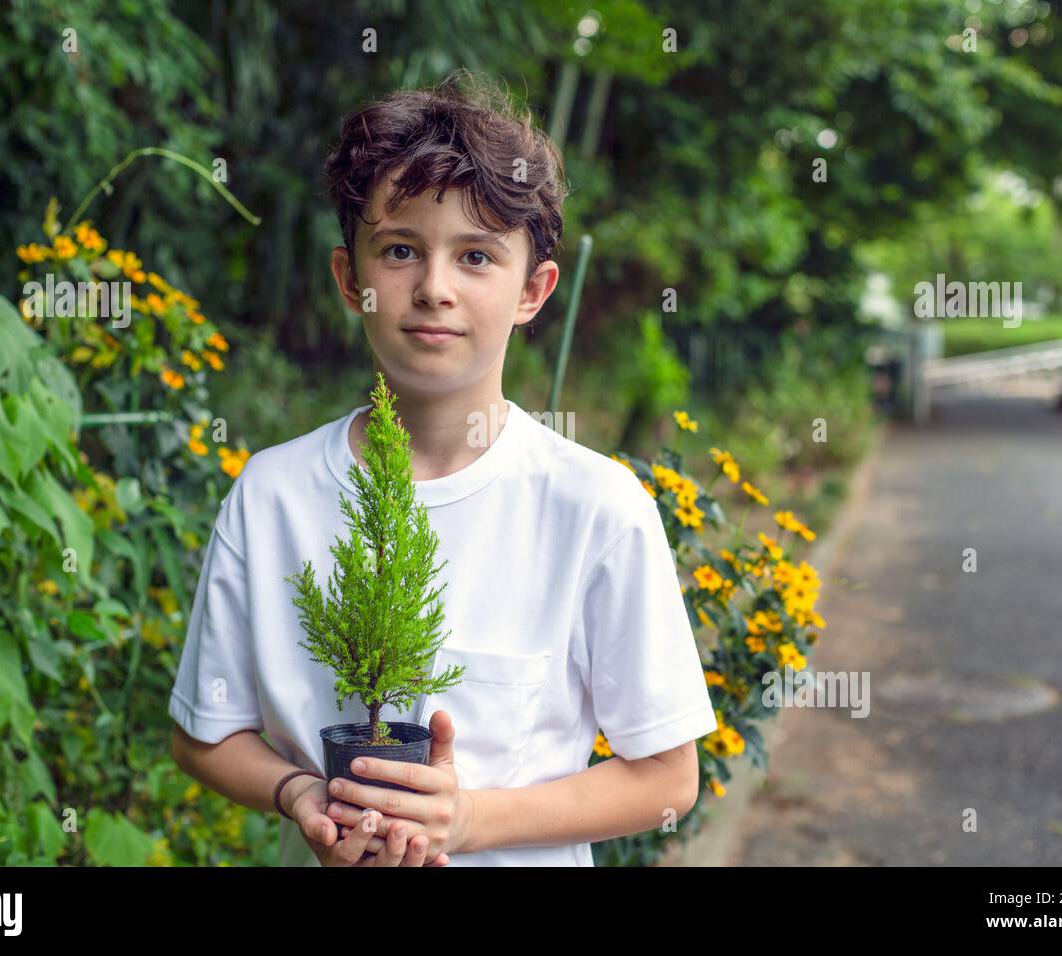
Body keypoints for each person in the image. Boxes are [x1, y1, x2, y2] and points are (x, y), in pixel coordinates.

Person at [169, 69, 717, 867]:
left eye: (476, 257)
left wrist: (468, 821)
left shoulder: (597, 505)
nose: (433, 289)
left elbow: (668, 779)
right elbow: (203, 734)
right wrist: (298, 794)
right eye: (399, 250)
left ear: (533, 290)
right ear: (349, 279)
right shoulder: (273, 493)